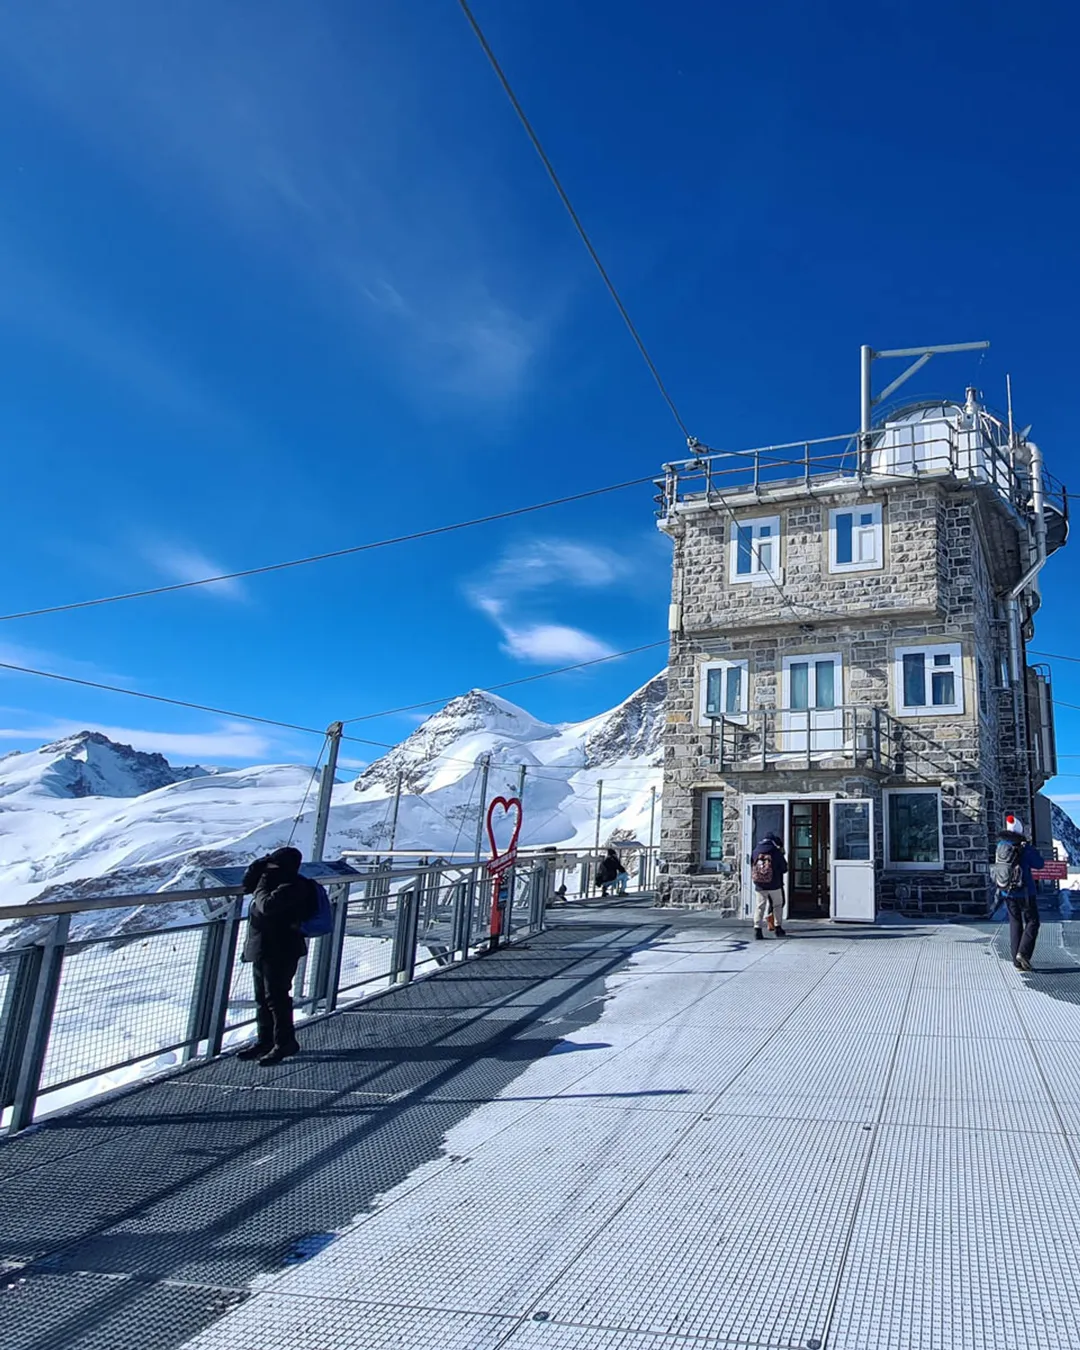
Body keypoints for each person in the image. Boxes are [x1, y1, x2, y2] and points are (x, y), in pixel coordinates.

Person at [238, 846, 318, 1064]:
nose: (269, 869)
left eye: (273, 864)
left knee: (276, 997)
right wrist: (255, 869)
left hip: (282, 948)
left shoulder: (295, 886)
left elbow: (267, 906)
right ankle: (265, 1040)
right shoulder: (275, 882)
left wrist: (262, 883)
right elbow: (247, 887)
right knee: (263, 998)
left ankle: (285, 1043)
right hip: (262, 947)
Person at [993, 814, 1044, 972]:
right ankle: (1023, 953)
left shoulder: (1001, 845)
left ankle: (1016, 962)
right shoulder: (1024, 848)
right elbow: (1039, 864)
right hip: (1026, 891)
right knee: (1033, 921)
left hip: (1007, 891)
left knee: (1015, 923)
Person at [750, 832, 788, 939]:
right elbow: (784, 868)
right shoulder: (776, 852)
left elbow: (752, 864)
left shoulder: (755, 851)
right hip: (774, 884)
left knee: (760, 906)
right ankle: (778, 928)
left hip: (760, 885)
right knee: (777, 905)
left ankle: (757, 929)